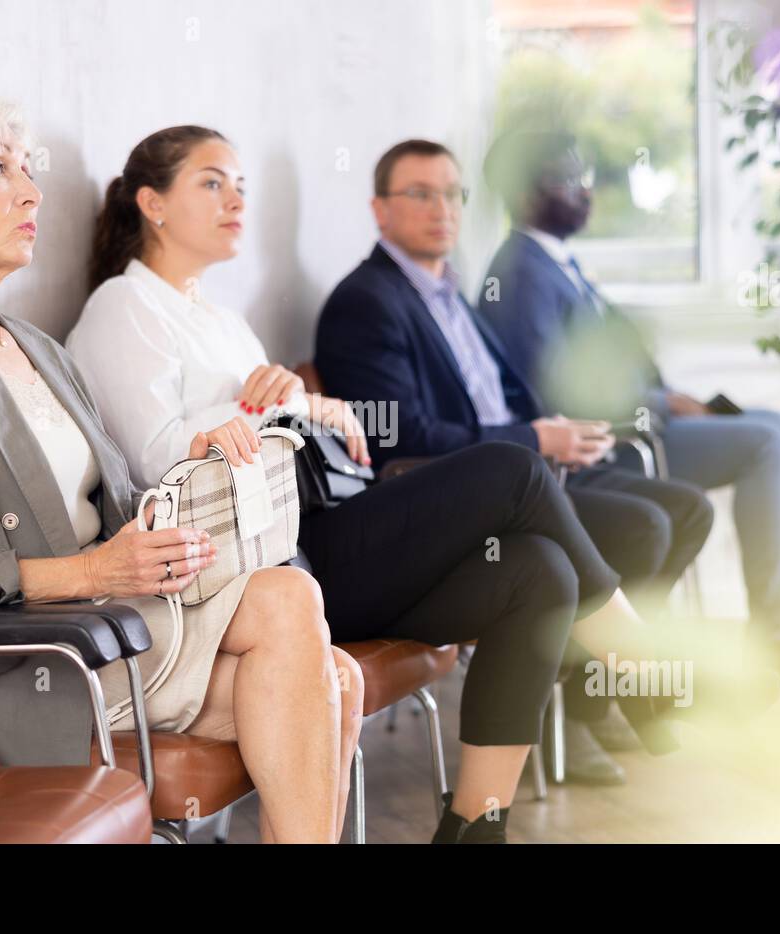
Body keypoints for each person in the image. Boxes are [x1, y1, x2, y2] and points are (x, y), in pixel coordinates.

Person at [67, 126, 705, 839]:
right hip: (264, 579)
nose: (236, 201)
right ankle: (641, 668)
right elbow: (153, 463)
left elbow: (316, 442)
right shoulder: (122, 309)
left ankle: (474, 827)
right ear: (152, 204)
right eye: (212, 184)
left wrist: (315, 409)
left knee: (539, 571)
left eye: (242, 185)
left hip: (314, 527)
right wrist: (261, 407)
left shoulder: (220, 318)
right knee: (515, 467)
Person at [0, 99, 358, 843]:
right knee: (290, 602)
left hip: (111, 623)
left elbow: (116, 512)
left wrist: (189, 491)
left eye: (25, 168)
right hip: (29, 654)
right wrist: (90, 576)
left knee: (338, 673)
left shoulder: (35, 346)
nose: (31, 190)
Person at [315, 139, 718, 783]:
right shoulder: (365, 302)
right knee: (639, 528)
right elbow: (397, 436)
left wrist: (558, 437)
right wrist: (533, 440)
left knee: (685, 509)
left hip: (523, 478)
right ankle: (600, 701)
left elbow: (507, 398)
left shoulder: (455, 296)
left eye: (452, 193)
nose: (441, 207)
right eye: (420, 193)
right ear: (379, 210)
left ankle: (601, 693)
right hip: (454, 502)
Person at [478, 129, 780, 669]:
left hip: (648, 413)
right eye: (567, 179)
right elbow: (558, 389)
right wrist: (662, 402)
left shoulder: (559, 263)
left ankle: (775, 626)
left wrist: (671, 393)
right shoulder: (520, 274)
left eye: (585, 179)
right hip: (620, 437)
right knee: (765, 442)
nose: (585, 192)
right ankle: (774, 636)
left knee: (777, 425)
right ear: (524, 191)